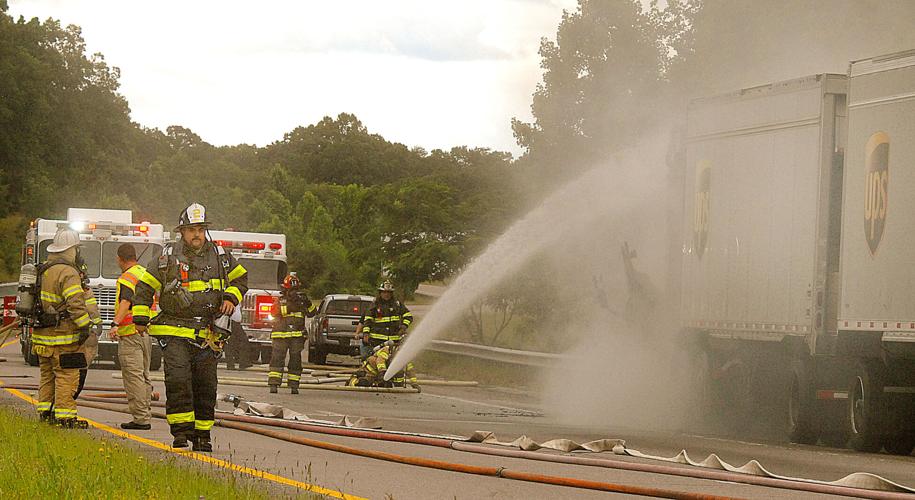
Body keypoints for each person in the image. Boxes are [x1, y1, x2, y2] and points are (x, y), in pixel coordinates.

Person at [132, 203, 248, 451]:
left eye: (200, 229)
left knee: (206, 384)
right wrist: (140, 318)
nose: (196, 234)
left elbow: (241, 279)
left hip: (208, 333)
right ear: (182, 231)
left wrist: (230, 297)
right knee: (178, 380)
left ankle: (202, 434)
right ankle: (181, 433)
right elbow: (144, 286)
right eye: (191, 229)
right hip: (174, 330)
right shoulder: (167, 257)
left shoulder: (221, 257)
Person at [32, 229, 91, 428]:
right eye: (76, 248)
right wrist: (85, 326)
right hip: (63, 336)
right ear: (70, 249)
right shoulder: (68, 272)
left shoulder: (44, 269)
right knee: (67, 375)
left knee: (47, 376)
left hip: (41, 336)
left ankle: (45, 413)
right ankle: (65, 418)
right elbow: (75, 303)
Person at [108, 243, 154, 430]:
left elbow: (126, 301)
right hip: (146, 332)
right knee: (144, 375)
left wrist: (115, 324)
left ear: (120, 259)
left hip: (130, 332)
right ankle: (145, 412)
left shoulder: (127, 277)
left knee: (133, 376)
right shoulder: (144, 273)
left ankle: (141, 418)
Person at [267, 273, 316, 394]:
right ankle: (274, 384)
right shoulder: (280, 300)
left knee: (295, 360)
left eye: (296, 289)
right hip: (280, 335)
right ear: (285, 289)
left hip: (297, 336)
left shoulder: (303, 300)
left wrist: (307, 303)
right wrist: (292, 303)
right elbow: (274, 313)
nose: (294, 292)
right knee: (277, 359)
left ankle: (294, 385)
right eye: (292, 289)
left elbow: (312, 313)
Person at [72, 260, 102, 401]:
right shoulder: (84, 292)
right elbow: (92, 310)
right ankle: (66, 404)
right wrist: (98, 324)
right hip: (81, 337)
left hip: (63, 336)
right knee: (78, 374)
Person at [361, 280, 413, 351]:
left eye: (389, 292)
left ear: (392, 294)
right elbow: (367, 320)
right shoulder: (375, 305)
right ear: (380, 293)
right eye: (384, 292)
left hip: (394, 341)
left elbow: (408, 316)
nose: (386, 294)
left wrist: (404, 326)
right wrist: (366, 333)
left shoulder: (397, 305)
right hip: (377, 342)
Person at [347, 341, 418, 389]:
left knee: (392, 381)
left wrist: (414, 384)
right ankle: (353, 380)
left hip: (381, 375)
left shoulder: (404, 357)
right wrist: (382, 372)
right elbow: (380, 360)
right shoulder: (387, 350)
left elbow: (410, 370)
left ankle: (389, 385)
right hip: (370, 371)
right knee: (363, 383)